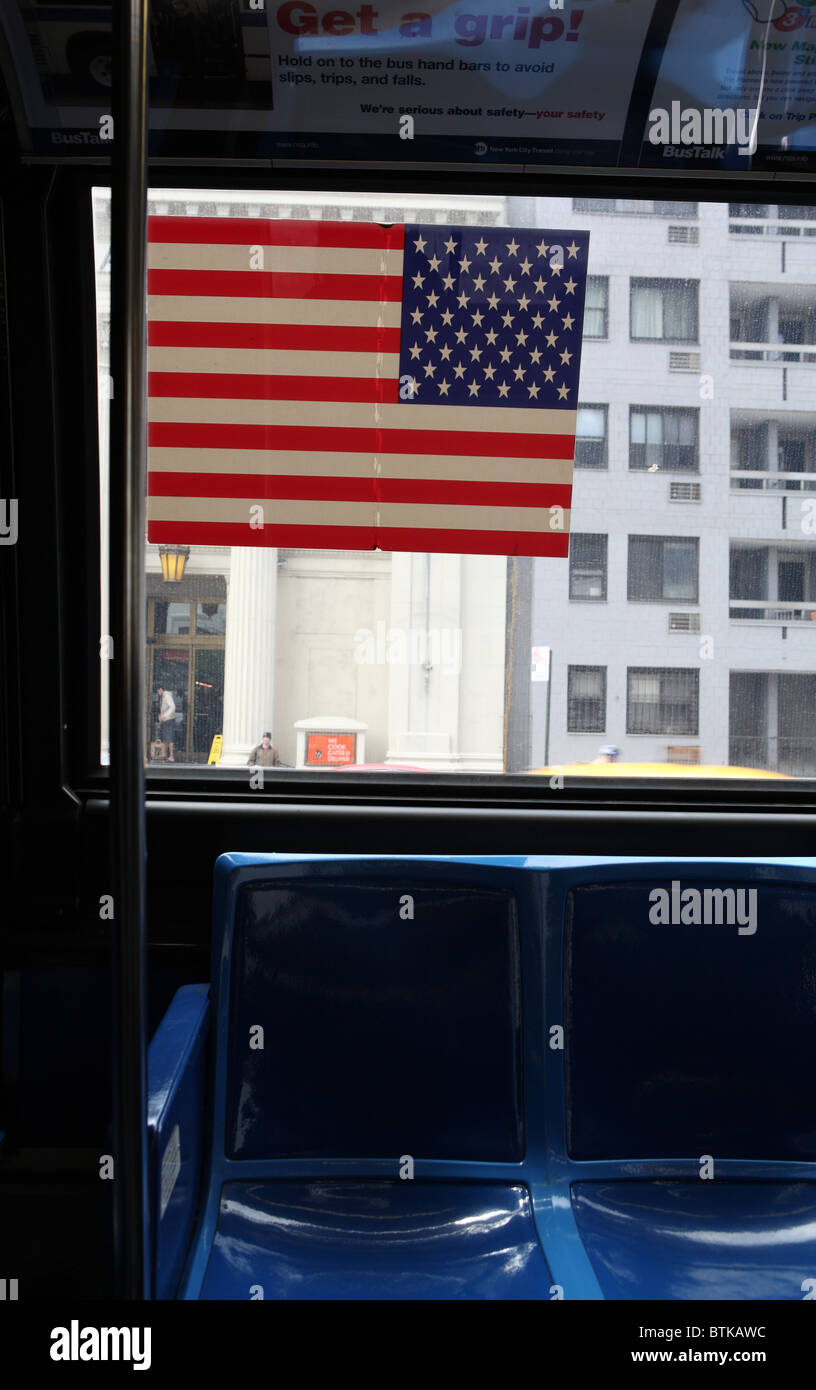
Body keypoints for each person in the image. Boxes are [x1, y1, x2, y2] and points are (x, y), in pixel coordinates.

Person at [156, 686, 177, 762]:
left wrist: (164, 715)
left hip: (169, 720)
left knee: (168, 738)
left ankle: (171, 756)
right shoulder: (164, 696)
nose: (157, 693)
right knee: (167, 738)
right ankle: (167, 755)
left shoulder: (167, 696)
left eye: (158, 691)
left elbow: (172, 707)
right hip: (167, 720)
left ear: (161, 689)